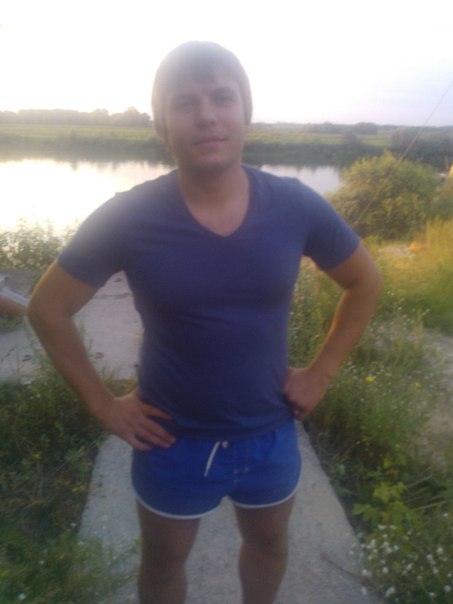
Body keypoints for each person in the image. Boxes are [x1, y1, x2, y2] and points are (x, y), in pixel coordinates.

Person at [28, 41, 382, 604]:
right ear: (162, 125)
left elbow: (365, 281)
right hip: (171, 441)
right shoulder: (128, 215)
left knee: (269, 545)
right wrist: (102, 404)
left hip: (270, 434)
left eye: (222, 97)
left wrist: (321, 373)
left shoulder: (294, 205)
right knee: (164, 562)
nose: (207, 115)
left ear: (246, 112)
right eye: (185, 102)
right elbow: (47, 308)